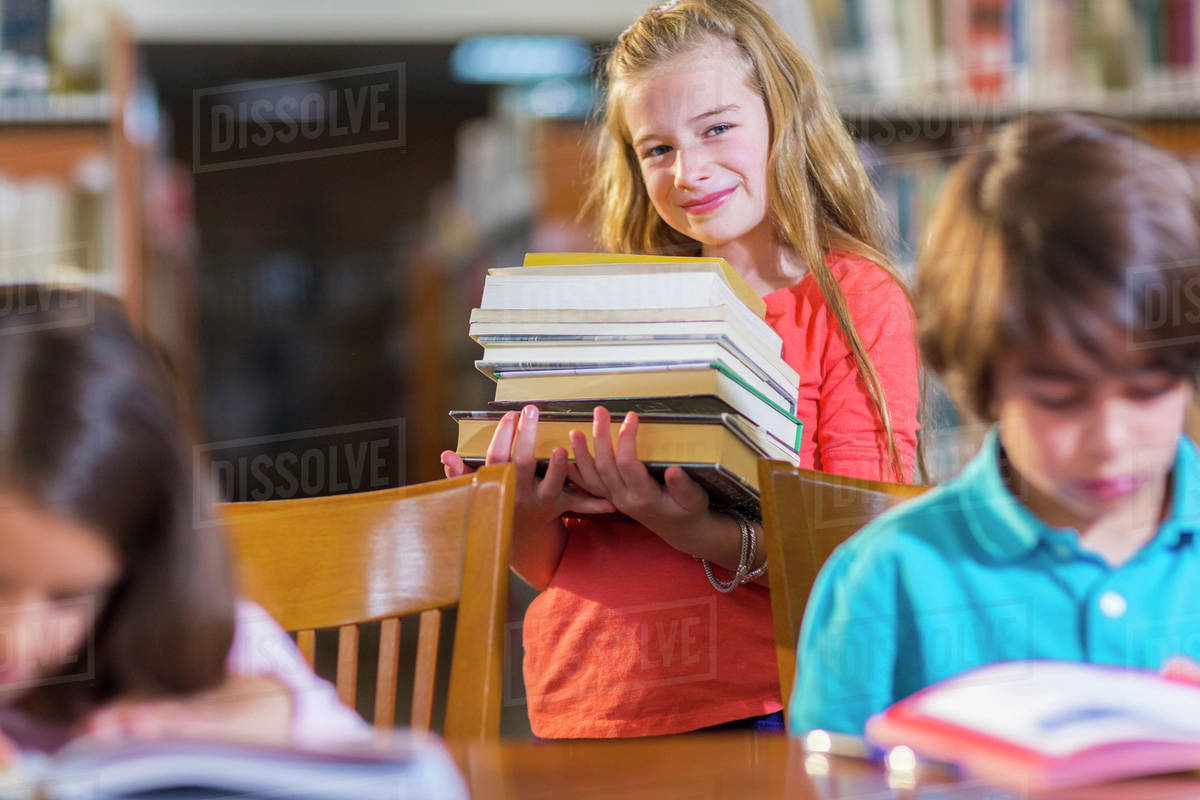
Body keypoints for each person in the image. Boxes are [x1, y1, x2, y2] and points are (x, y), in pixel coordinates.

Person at [441, 0, 921, 737]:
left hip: (764, 697)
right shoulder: (615, 308)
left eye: (718, 128)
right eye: (656, 149)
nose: (689, 172)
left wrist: (700, 532)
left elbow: (859, 552)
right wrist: (524, 516)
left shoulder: (853, 300)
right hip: (586, 697)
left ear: (783, 117)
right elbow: (556, 564)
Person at [789, 112, 1200, 735]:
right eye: (1060, 399)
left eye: (1148, 391)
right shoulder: (885, 580)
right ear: (984, 380)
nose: (1111, 444)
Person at [0, 285, 370, 765]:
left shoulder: (216, 645)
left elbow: (372, 764)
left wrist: (269, 713)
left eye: (70, 597)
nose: (19, 640)